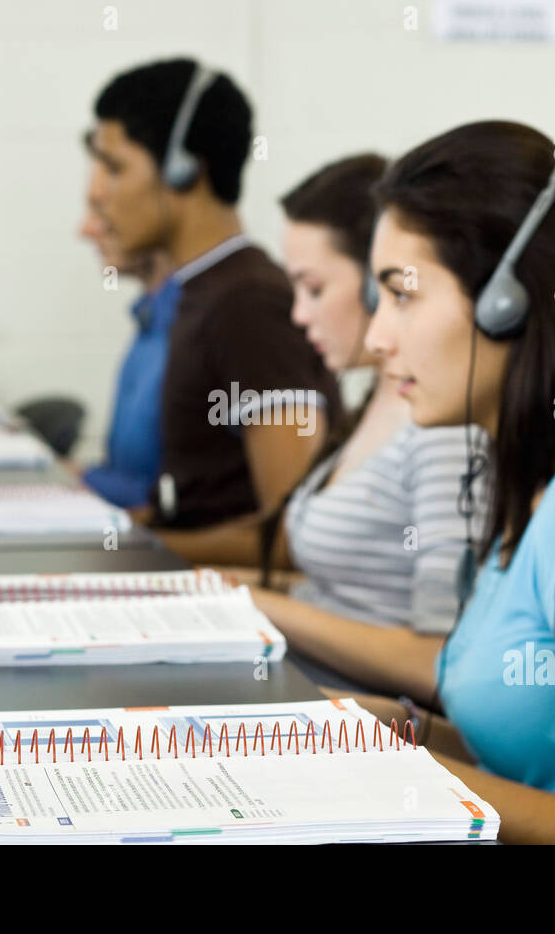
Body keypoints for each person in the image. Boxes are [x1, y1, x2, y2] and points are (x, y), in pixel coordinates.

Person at [316, 120, 555, 844]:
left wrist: (404, 765)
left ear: (505, 303)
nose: (377, 336)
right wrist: (394, 729)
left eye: (402, 295)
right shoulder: (532, 491)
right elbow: (532, 767)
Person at [229, 153, 493, 693]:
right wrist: (230, 591)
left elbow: (442, 658)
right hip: (307, 679)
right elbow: (340, 594)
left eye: (314, 288)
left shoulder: (440, 428)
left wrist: (254, 601)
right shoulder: (375, 402)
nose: (299, 314)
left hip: (366, 710)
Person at [85, 58, 339, 560]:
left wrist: (140, 550)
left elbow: (289, 537)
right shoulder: (199, 294)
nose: (97, 194)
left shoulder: (246, 305)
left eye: (115, 168)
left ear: (184, 171)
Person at [73, 201, 176, 503]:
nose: (86, 230)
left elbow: (175, 505)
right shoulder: (149, 320)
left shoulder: (191, 327)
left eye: (101, 211)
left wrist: (78, 478)